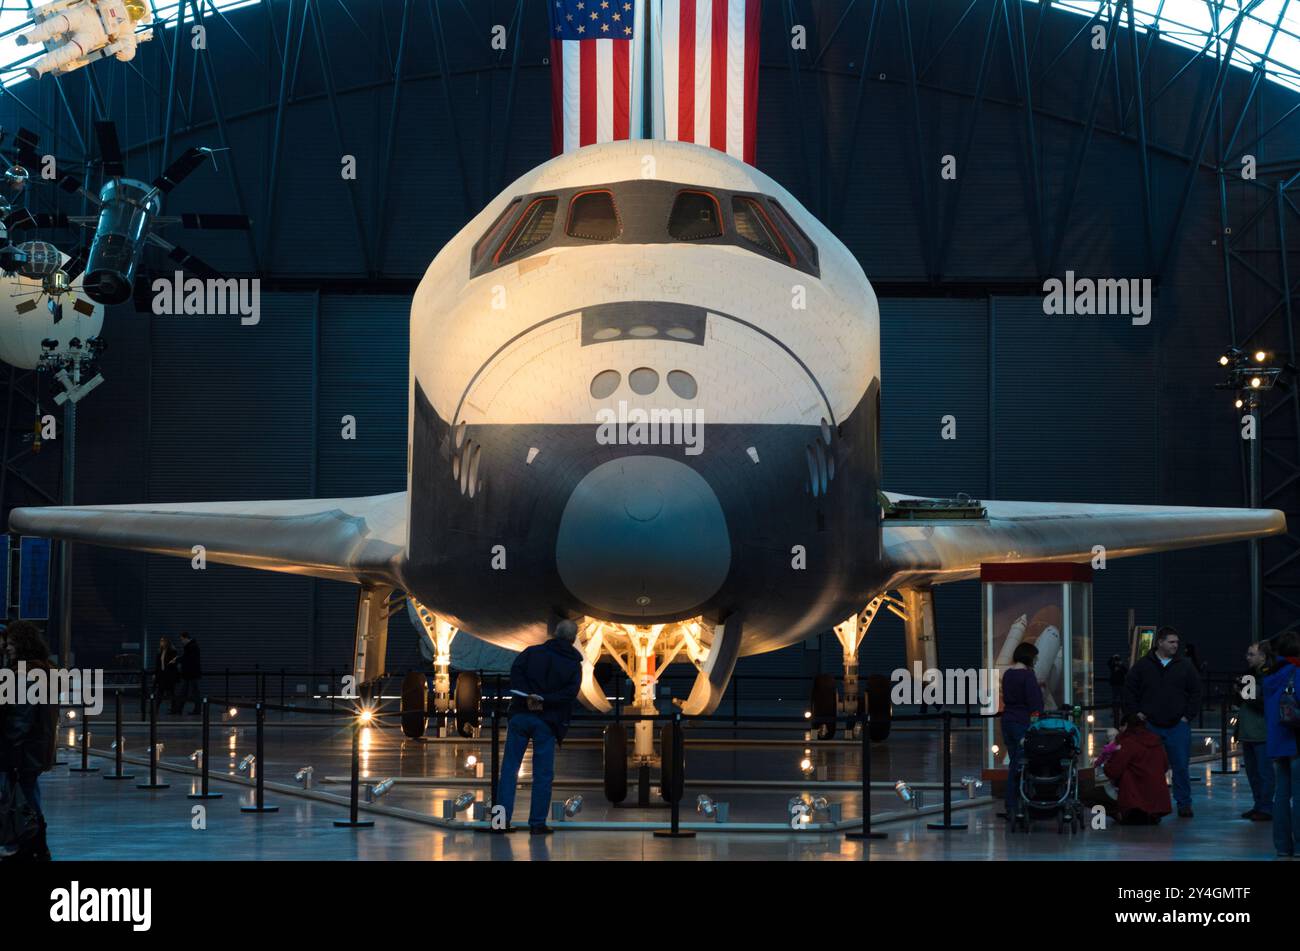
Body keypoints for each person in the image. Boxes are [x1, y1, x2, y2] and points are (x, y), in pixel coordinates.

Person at [495, 618, 582, 835]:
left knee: (509, 769)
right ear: (573, 639)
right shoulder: (573, 664)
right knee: (543, 775)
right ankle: (537, 823)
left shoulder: (531, 653)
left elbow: (516, 673)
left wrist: (530, 697)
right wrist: (544, 700)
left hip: (520, 716)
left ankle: (500, 821)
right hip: (547, 721)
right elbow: (569, 694)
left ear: (554, 634)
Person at [1123, 626, 1202, 818]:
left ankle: (1184, 803)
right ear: (1160, 642)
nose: (1176, 645)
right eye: (1171, 642)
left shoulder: (1185, 665)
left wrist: (1187, 717)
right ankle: (1151, 804)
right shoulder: (1142, 666)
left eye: (1176, 642)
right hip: (1150, 725)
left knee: (1181, 766)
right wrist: (1136, 714)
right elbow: (1129, 691)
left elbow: (1196, 691)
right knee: (1150, 768)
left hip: (1177, 725)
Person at [0, 621, 58, 861]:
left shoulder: (23, 675)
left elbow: (19, 718)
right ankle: (34, 844)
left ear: (21, 644)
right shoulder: (43, 670)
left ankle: (26, 843)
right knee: (28, 793)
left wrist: (7, 750)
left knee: (18, 796)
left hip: (22, 750)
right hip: (35, 749)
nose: (7, 648)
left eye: (11, 643)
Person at [1263, 631, 1300, 859]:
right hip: (1296, 741)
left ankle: (1282, 846)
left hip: (1277, 741)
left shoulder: (1269, 675)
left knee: (1281, 796)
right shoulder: (1297, 672)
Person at [1102, 714, 1172, 825]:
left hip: (1134, 800)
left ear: (1127, 726)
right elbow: (1164, 765)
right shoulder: (1156, 740)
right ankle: (1150, 815)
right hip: (1158, 801)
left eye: (1122, 726)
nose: (1120, 729)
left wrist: (1105, 765)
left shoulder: (1127, 742)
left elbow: (1114, 770)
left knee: (1125, 774)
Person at [1001, 642, 1044, 818]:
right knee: (1021, 765)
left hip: (1007, 721)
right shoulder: (1028, 676)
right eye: (1035, 657)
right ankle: (1015, 803)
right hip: (1022, 722)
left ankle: (1012, 802)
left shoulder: (1008, 674)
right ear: (1029, 657)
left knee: (1014, 762)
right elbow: (1035, 704)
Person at [1234, 640, 1275, 821]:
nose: (1247, 658)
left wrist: (1244, 692)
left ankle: (1266, 807)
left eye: (1252, 654)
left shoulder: (1269, 676)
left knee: (1264, 773)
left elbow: (1263, 703)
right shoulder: (1250, 676)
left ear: (1263, 657)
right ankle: (1259, 805)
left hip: (1262, 733)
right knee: (1253, 773)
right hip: (1249, 732)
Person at [177, 632, 202, 715]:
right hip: (191, 673)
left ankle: (195, 710)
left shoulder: (191, 647)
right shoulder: (192, 646)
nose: (181, 641)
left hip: (190, 673)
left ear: (185, 638)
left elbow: (188, 659)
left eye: (182, 639)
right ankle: (180, 709)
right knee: (189, 691)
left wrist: (179, 661)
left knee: (192, 692)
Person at [155, 636, 179, 715]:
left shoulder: (172, 651)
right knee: (160, 692)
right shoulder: (160, 651)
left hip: (169, 676)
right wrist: (156, 674)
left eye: (163, 641)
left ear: (167, 642)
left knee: (171, 693)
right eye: (161, 640)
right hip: (162, 675)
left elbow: (173, 663)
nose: (161, 642)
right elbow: (158, 664)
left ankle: (174, 709)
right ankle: (156, 709)